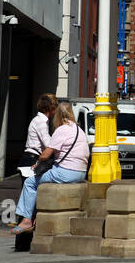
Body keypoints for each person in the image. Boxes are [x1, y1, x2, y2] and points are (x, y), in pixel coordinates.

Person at [12, 100, 90, 234]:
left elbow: (46, 154)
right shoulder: (79, 130)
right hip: (81, 172)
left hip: (66, 172)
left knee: (30, 183)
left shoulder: (62, 129)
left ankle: (26, 220)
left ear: (58, 115)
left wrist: (37, 162)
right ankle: (32, 217)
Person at [18, 94, 58, 180]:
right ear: (50, 108)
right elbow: (48, 144)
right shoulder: (41, 122)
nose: (56, 109)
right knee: (30, 190)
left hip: (31, 158)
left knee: (30, 190)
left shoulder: (41, 120)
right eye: (55, 106)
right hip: (31, 160)